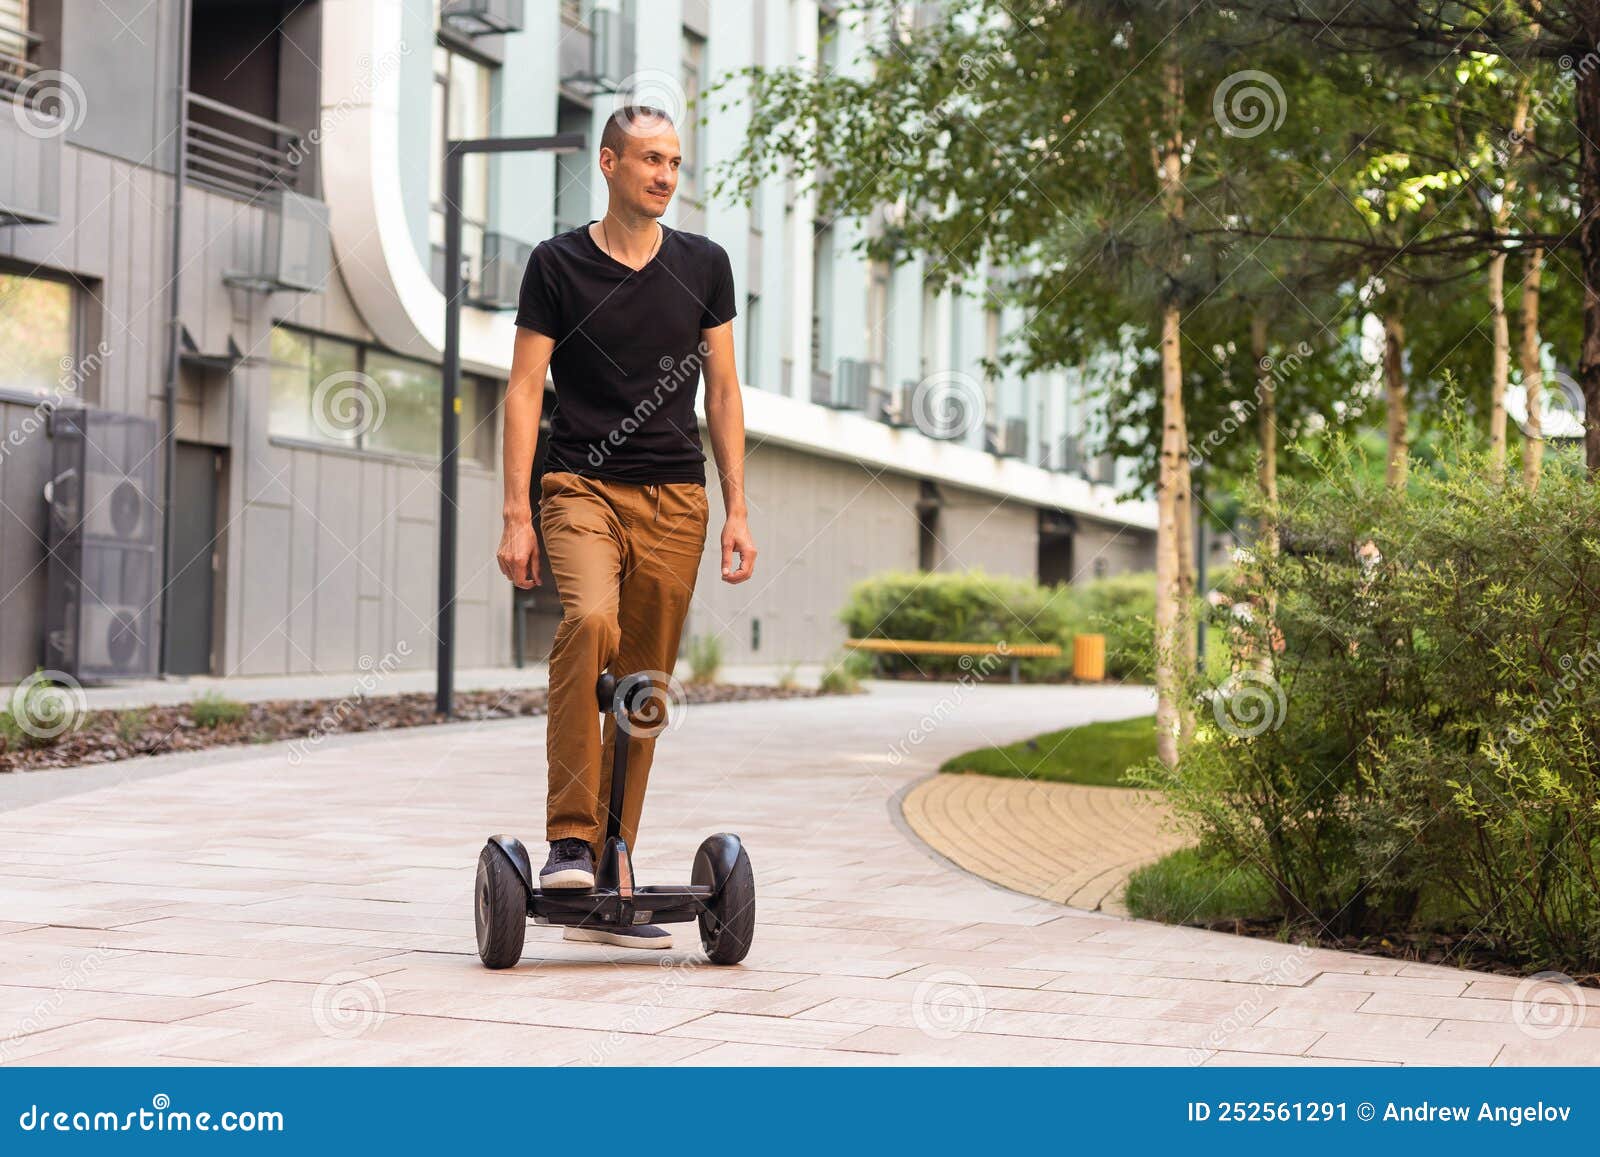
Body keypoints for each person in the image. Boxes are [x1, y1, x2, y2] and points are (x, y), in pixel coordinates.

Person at [496, 105, 757, 950]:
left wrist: (738, 508)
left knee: (645, 684)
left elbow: (722, 391)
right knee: (591, 623)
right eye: (649, 159)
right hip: (579, 484)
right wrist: (514, 513)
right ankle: (570, 836)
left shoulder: (704, 266)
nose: (665, 175)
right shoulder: (557, 264)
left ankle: (616, 856)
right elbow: (525, 388)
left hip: (677, 498)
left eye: (675, 162)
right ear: (608, 163)